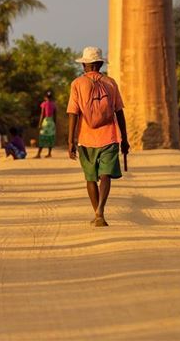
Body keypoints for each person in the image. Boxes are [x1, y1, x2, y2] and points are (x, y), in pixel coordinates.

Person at [67, 46, 129, 227]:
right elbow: (119, 112)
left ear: (84, 65)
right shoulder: (111, 83)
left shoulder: (77, 84)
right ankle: (100, 209)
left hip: (86, 139)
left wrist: (71, 140)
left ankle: (97, 212)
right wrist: (124, 139)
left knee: (90, 177)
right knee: (105, 175)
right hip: (109, 136)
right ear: (100, 64)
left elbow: (73, 113)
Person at [36, 90, 57, 159]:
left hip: (45, 121)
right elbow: (55, 115)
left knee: (42, 137)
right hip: (51, 122)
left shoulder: (44, 104)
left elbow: (42, 114)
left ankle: (39, 154)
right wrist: (55, 124)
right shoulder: (54, 104)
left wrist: (40, 123)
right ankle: (49, 153)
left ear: (45, 97)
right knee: (50, 137)